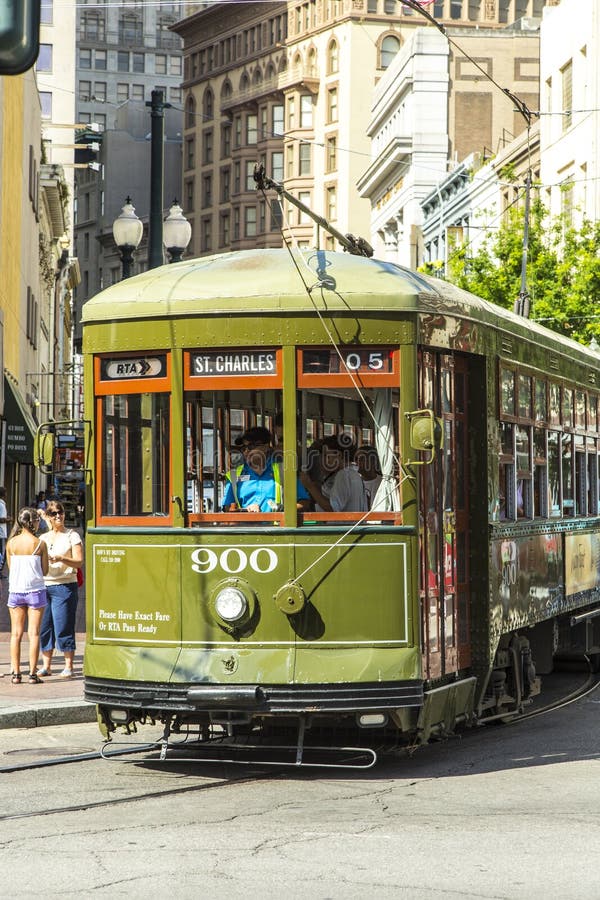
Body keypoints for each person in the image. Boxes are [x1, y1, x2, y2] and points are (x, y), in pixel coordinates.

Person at [38, 500, 83, 678]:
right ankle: (46, 666)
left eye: (60, 512)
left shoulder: (72, 536)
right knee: (45, 627)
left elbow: (79, 562)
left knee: (63, 625)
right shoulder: (43, 538)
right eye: (54, 513)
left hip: (65, 586)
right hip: (44, 586)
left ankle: (68, 666)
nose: (58, 516)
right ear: (48, 517)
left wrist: (61, 558)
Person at [222, 425, 310, 512]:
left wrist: (285, 509)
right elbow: (227, 508)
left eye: (251, 447)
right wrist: (246, 510)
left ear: (265, 447)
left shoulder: (285, 471)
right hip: (246, 526)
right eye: (243, 448)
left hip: (277, 526)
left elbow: (304, 502)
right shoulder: (233, 475)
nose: (246, 451)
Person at [5, 507, 48, 684]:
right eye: (38, 520)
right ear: (33, 522)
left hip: (16, 590)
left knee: (16, 634)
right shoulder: (39, 543)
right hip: (36, 590)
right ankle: (32, 673)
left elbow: (9, 566)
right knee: (34, 633)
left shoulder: (11, 543)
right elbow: (45, 570)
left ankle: (16, 673)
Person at [300, 435, 368, 513]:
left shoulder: (344, 475)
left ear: (339, 455)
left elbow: (332, 508)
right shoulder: (353, 474)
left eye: (326, 455)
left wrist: (310, 486)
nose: (323, 460)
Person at [355, 445, 382, 509]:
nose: (356, 462)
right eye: (356, 459)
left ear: (372, 461)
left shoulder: (384, 483)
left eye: (361, 459)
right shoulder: (352, 483)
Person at [0, 486, 11, 575]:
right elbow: (1, 519)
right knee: (1, 553)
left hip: (2, 532)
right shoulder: (0, 504)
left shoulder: (2, 504)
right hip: (1, 533)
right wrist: (8, 519)